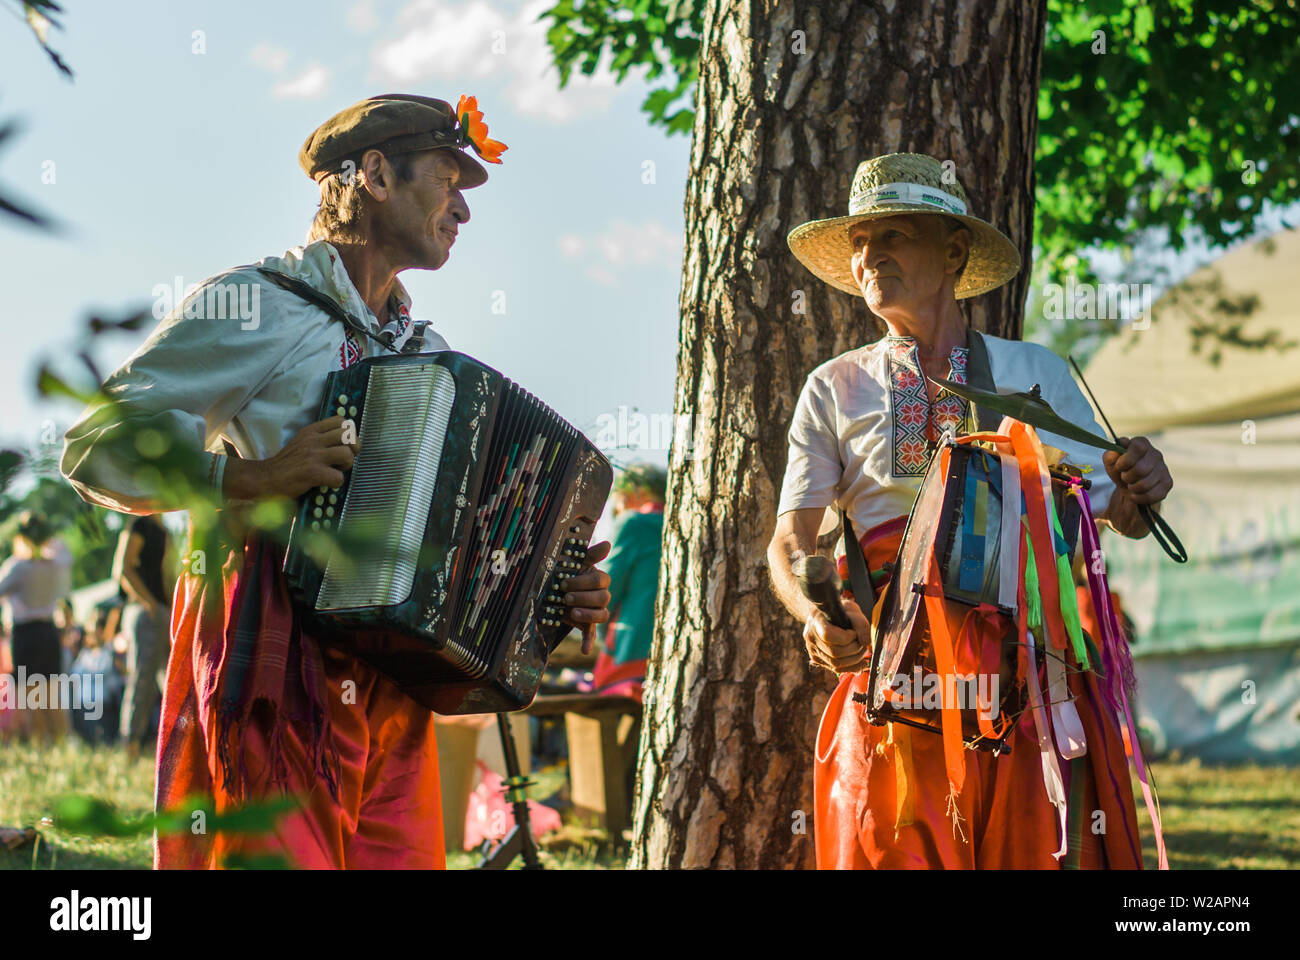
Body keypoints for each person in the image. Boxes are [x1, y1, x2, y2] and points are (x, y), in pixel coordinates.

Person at [61, 94, 611, 869]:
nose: (463, 210)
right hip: (277, 664)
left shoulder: (430, 352)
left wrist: (550, 595)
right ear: (377, 175)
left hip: (396, 684)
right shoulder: (256, 303)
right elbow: (96, 442)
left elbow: (462, 552)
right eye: (449, 181)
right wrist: (249, 477)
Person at [767, 153, 1174, 869]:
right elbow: (791, 540)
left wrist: (1143, 480)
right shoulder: (833, 387)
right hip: (899, 684)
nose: (869, 255)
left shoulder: (1035, 373)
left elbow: (1114, 509)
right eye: (859, 241)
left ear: (953, 250)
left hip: (1029, 688)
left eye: (892, 234)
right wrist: (817, 617)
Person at [588, 463, 666, 701]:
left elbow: (605, 592)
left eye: (617, 502)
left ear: (633, 493)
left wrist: (598, 635)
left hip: (631, 659)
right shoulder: (679, 522)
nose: (615, 513)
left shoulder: (633, 522)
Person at [0, 512, 72, 741]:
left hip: (25, 635)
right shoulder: (55, 564)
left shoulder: (16, 567)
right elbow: (63, 553)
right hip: (49, 633)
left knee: (31, 698)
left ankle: (41, 745)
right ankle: (61, 743)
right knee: (52, 696)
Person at [114, 513, 173, 758]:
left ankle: (173, 747)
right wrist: (149, 603)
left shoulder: (165, 530)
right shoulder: (140, 523)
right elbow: (122, 569)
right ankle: (130, 746)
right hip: (144, 613)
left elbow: (167, 575)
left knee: (169, 681)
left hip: (164, 614)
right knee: (141, 681)